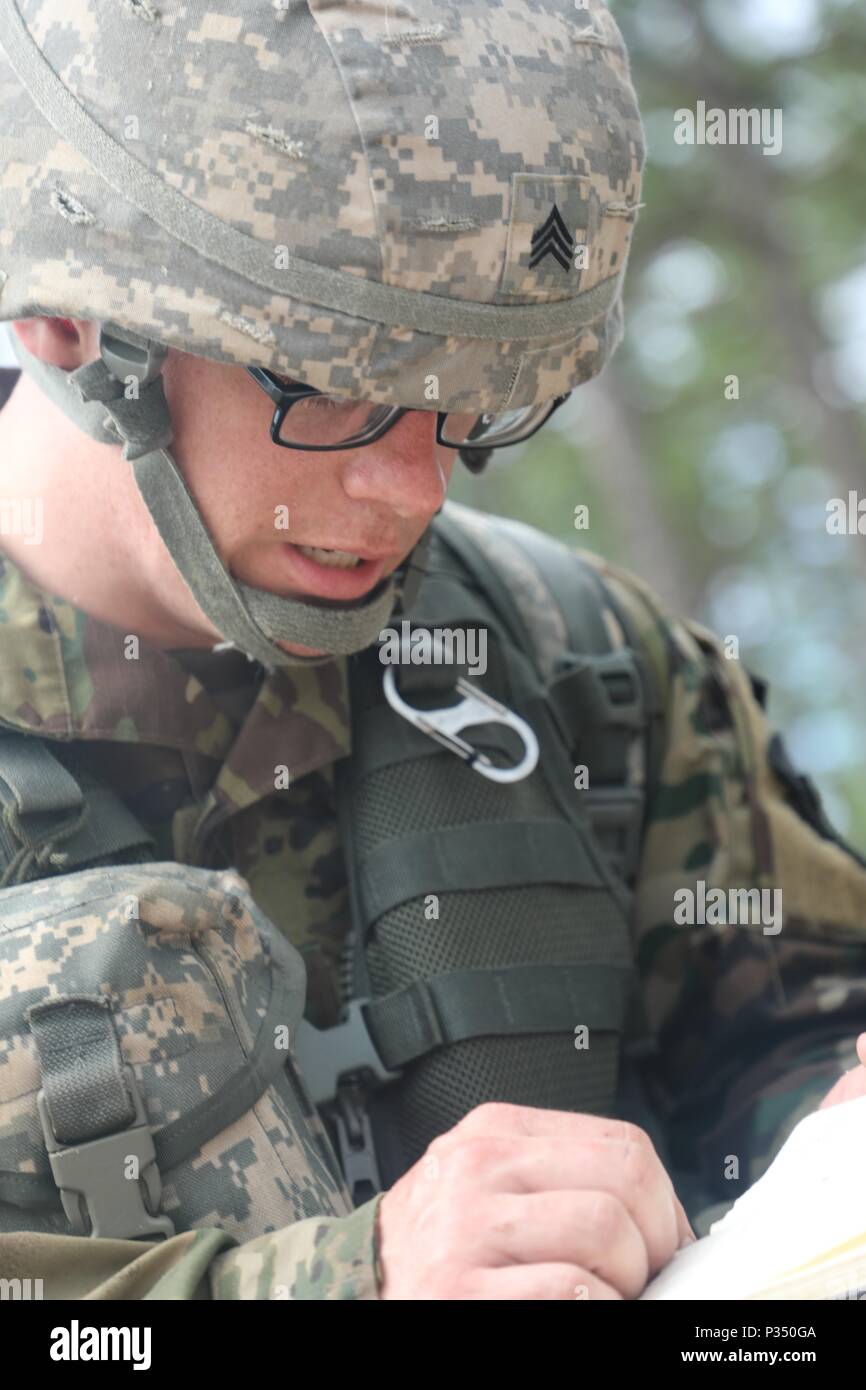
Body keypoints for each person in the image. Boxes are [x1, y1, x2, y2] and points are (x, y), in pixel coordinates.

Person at [0, 0, 865, 1302]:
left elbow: (795, 1031)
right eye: (332, 387)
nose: (411, 487)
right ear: (71, 320)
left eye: (469, 398)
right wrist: (345, 1281)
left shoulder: (587, 665)